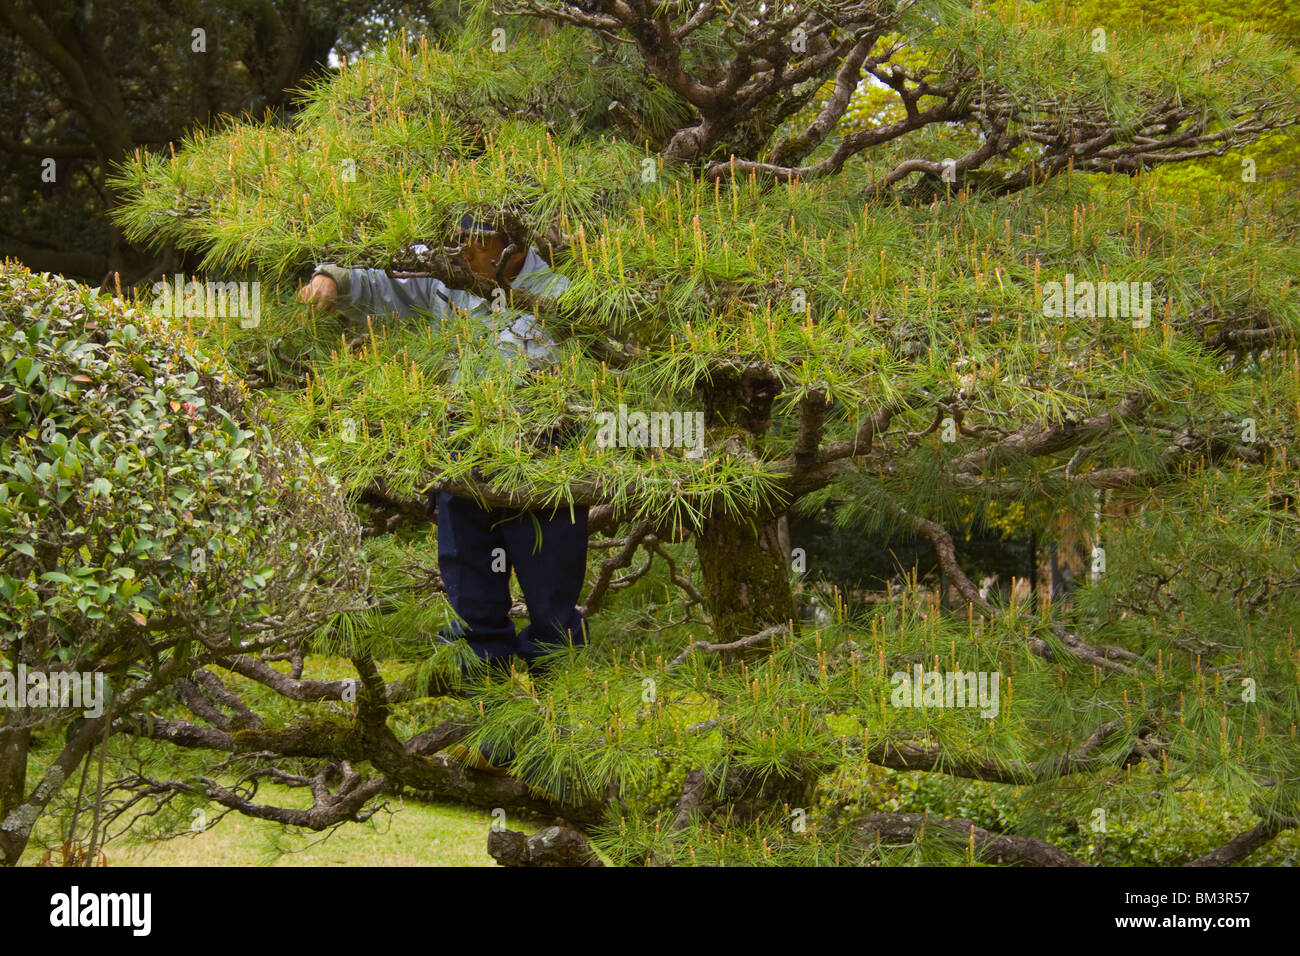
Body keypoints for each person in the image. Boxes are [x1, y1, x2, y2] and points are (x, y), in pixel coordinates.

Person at [298, 217, 589, 683]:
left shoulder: (568, 292)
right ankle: (487, 734)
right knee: (473, 605)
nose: (460, 252)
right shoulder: (444, 282)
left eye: (474, 241)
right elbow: (381, 282)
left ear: (512, 243)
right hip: (461, 456)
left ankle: (555, 743)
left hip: (545, 459)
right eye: (454, 239)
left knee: (552, 610)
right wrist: (333, 276)